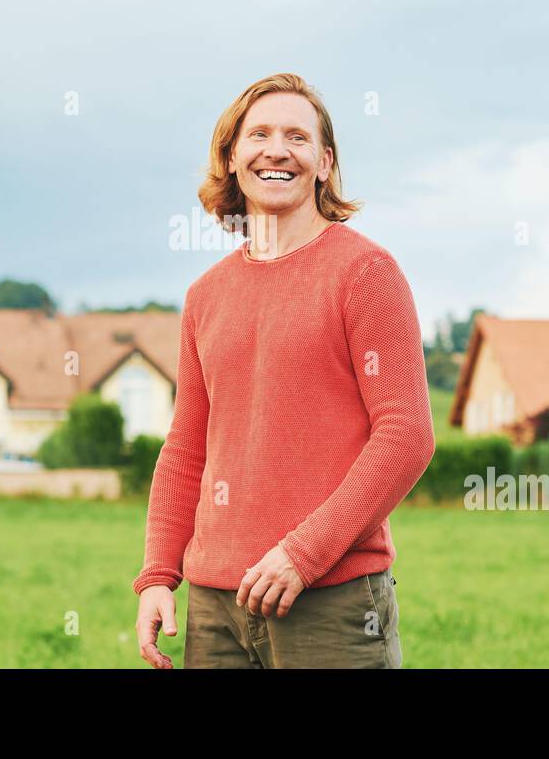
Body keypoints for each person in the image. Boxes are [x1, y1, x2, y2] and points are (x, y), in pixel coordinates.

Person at [133, 72, 435, 668]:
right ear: (232, 157)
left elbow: (406, 438)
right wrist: (158, 577)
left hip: (331, 602)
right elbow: (187, 446)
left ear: (324, 163)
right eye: (259, 135)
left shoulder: (366, 274)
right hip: (215, 606)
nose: (277, 150)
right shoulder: (205, 296)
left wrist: (303, 553)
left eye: (297, 137)